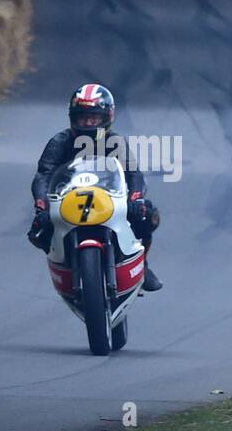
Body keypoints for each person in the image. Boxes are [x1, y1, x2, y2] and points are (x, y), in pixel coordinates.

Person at [28, 83, 163, 292]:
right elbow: (43, 175)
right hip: (68, 201)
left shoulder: (115, 142)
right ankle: (61, 261)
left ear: (107, 117)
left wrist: (135, 199)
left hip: (109, 200)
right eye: (83, 117)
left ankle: (142, 265)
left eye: (94, 118)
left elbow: (133, 173)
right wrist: (42, 207)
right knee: (38, 229)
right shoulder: (59, 142)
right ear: (73, 117)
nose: (88, 122)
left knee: (147, 214)